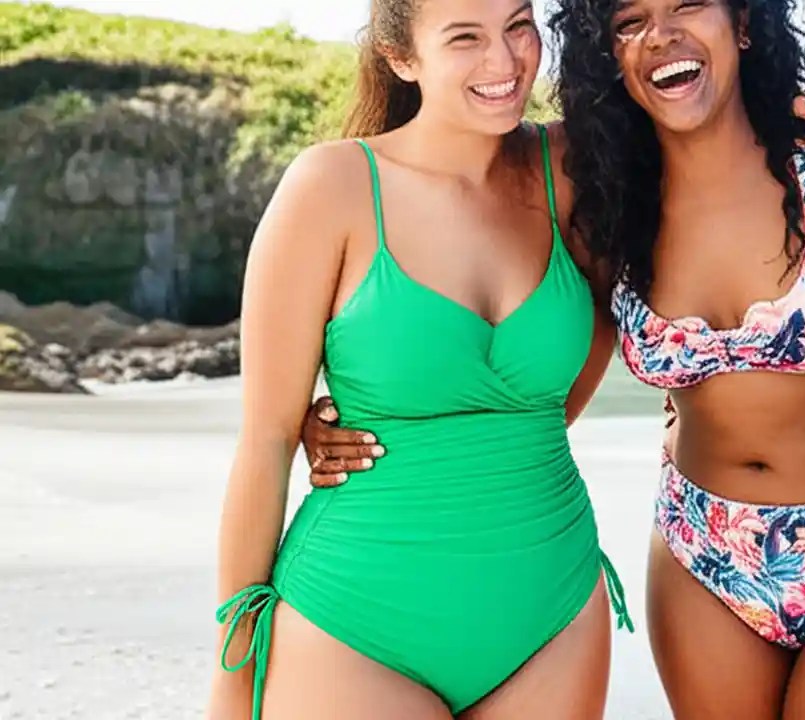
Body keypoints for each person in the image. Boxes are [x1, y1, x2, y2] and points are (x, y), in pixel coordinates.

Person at [304, 0, 805, 718]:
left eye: (690, 5)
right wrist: (368, 427)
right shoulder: (607, 207)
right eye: (630, 23)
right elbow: (531, 402)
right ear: (608, 57)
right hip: (703, 556)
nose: (662, 36)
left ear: (744, 23)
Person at [208, 1, 632, 717]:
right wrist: (232, 673)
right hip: (356, 621)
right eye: (465, 38)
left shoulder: (573, 168)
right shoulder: (331, 188)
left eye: (518, 25)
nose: (504, 62)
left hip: (552, 609)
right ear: (402, 56)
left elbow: (707, 111)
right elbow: (268, 439)